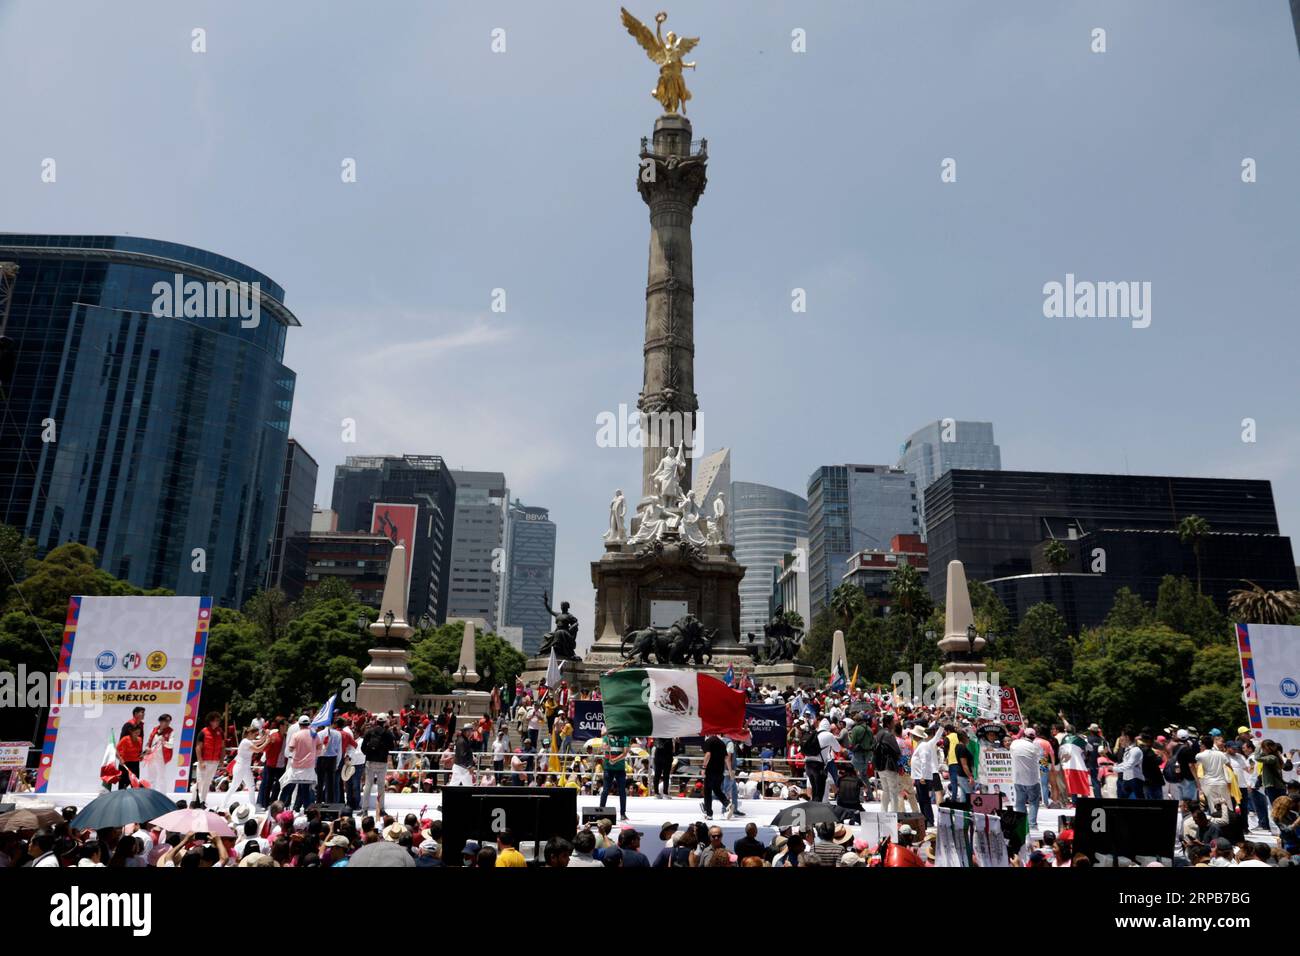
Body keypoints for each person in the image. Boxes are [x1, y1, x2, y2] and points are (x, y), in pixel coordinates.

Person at [360, 717, 395, 816]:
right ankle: (381, 809)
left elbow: (363, 747)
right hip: (382, 762)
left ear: (376, 721)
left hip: (370, 762)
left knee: (368, 786)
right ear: (384, 722)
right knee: (381, 786)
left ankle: (364, 810)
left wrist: (369, 755)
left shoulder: (369, 732)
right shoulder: (387, 733)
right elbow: (392, 747)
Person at [1010, 729, 1043, 831]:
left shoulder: (1014, 744)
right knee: (1033, 802)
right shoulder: (1036, 747)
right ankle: (1032, 825)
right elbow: (1040, 759)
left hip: (1017, 778)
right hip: (1031, 779)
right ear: (1033, 737)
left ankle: (1022, 824)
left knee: (1020, 802)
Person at [226, 726, 266, 806]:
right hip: (240, 767)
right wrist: (267, 742)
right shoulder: (246, 742)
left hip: (245, 768)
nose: (256, 736)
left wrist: (266, 735)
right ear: (250, 734)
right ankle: (223, 805)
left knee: (251, 787)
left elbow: (260, 741)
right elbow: (258, 750)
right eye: (255, 734)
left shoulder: (248, 741)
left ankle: (253, 805)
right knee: (234, 787)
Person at [1195, 734, 1232, 822]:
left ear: (1203, 745)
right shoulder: (1221, 754)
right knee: (1226, 805)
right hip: (1222, 783)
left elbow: (1197, 767)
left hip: (1209, 783)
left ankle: (1217, 826)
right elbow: (1229, 766)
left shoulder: (1200, 755)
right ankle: (1229, 824)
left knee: (1213, 807)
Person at [194, 712, 225, 806]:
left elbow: (222, 747)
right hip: (204, 761)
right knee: (200, 782)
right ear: (210, 721)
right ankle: (195, 801)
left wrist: (221, 760)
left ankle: (203, 801)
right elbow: (198, 747)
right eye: (215, 720)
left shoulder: (220, 732)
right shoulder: (203, 732)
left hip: (214, 761)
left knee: (207, 782)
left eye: (218, 720)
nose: (217, 722)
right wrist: (201, 761)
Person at [700, 733, 732, 821]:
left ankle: (709, 813)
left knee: (707, 792)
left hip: (710, 770)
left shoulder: (709, 741)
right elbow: (726, 758)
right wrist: (730, 771)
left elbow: (708, 754)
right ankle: (727, 804)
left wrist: (703, 767)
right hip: (720, 771)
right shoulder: (722, 743)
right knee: (717, 790)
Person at [599, 734, 631, 821]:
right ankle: (601, 812)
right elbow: (603, 747)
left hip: (620, 769)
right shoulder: (607, 738)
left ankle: (623, 814)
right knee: (605, 791)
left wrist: (615, 760)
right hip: (608, 769)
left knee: (622, 792)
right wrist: (605, 747)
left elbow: (625, 753)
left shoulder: (625, 737)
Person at [257, 717, 286, 809]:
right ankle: (265, 804)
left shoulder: (286, 736)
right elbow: (265, 749)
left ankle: (273, 802)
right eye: (285, 725)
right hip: (271, 764)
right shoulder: (274, 735)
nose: (287, 727)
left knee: (278, 784)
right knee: (268, 785)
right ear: (281, 726)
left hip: (281, 765)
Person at [115, 724, 143, 789]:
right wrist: (120, 759)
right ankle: (121, 798)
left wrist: (142, 756)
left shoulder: (140, 739)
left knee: (135, 784)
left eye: (139, 732)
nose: (137, 734)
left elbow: (138, 753)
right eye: (136, 732)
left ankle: (134, 798)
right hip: (125, 764)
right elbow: (116, 750)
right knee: (123, 784)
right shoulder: (125, 739)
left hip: (135, 764)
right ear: (131, 732)